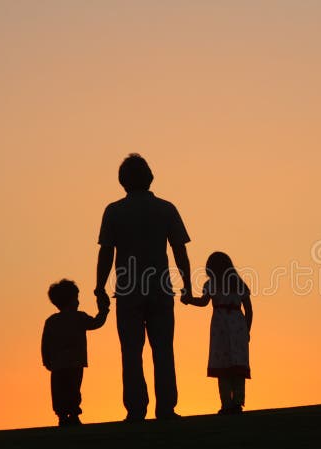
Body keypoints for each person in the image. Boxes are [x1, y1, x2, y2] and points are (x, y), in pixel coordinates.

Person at [95, 154, 193, 421]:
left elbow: (106, 253)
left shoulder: (114, 211)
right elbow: (179, 250)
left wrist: (99, 287)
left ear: (122, 181)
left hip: (128, 291)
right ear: (149, 177)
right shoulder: (166, 208)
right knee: (163, 350)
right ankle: (166, 408)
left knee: (131, 352)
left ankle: (136, 409)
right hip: (160, 288)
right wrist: (188, 285)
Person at [182, 251, 253, 414]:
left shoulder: (212, 284)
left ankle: (227, 403)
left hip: (220, 327)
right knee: (237, 365)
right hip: (237, 326)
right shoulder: (239, 284)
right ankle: (237, 402)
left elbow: (203, 302)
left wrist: (189, 300)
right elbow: (248, 309)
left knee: (223, 365)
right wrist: (247, 329)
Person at [41, 279, 109, 426]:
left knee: (59, 391)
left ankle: (62, 416)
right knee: (73, 389)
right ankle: (73, 414)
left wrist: (46, 360)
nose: (78, 302)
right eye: (76, 298)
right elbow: (96, 323)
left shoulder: (51, 321)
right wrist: (104, 310)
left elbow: (45, 344)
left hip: (58, 364)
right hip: (75, 363)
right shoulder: (79, 317)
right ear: (71, 300)